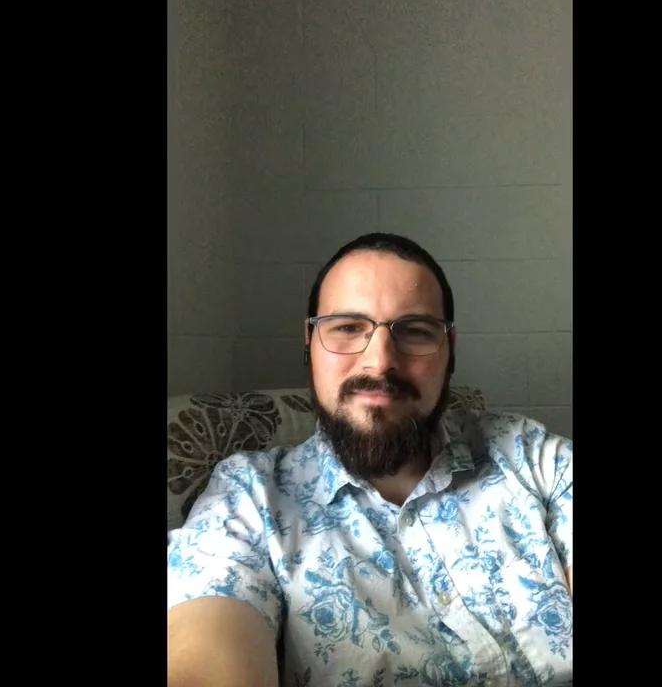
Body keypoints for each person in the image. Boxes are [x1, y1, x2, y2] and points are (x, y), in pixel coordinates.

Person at [167, 233, 573, 687]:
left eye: (414, 331)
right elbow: (203, 656)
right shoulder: (247, 500)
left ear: (450, 349)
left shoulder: (532, 457)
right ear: (309, 342)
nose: (379, 363)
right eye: (346, 327)